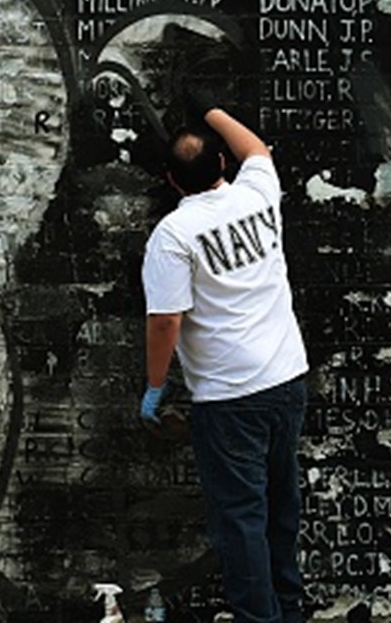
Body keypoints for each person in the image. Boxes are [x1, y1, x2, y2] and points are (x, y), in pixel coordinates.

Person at [141, 104, 309, 623]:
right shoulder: (257, 192)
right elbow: (254, 148)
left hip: (230, 396)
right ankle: (289, 611)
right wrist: (211, 109)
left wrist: (155, 388)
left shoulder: (174, 235)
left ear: (171, 180)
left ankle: (260, 618)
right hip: (287, 379)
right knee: (281, 510)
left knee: (241, 520)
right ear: (221, 163)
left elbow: (166, 321)